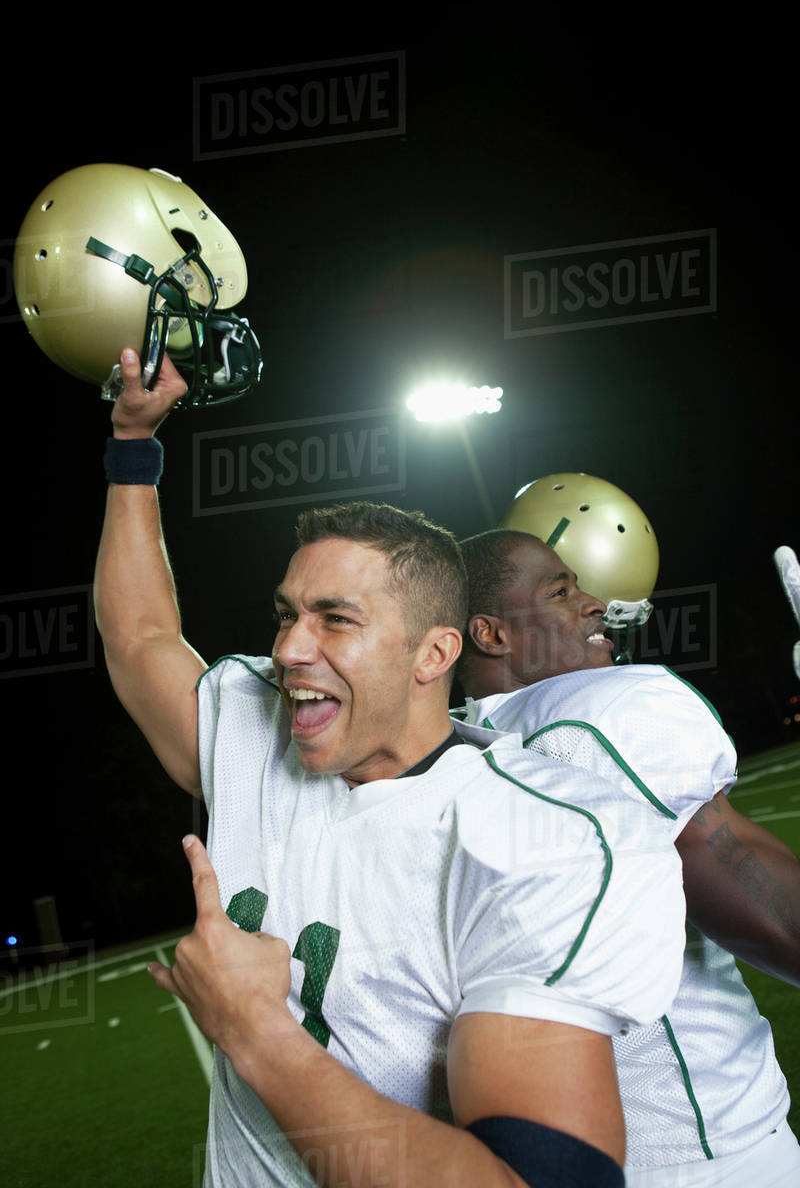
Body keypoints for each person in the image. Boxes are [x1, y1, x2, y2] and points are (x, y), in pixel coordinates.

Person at [93, 350, 686, 1188]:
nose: (290, 648)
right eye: (287, 615)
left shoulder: (546, 837)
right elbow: (140, 639)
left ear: (434, 652)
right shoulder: (257, 731)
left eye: (336, 620)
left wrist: (255, 1029)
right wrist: (132, 444)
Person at [456, 527, 800, 1188]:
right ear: (491, 634)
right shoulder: (602, 719)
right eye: (562, 591)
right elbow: (786, 923)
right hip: (714, 1155)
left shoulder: (462, 752)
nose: (594, 603)